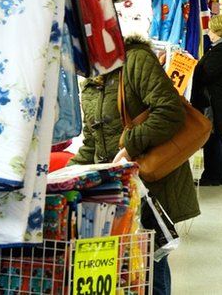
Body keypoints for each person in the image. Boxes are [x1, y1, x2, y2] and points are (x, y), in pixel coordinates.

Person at [70, 36, 199, 295]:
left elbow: (169, 111)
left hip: (153, 184)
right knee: (131, 269)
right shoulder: (90, 83)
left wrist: (129, 146)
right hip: (119, 190)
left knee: (152, 263)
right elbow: (93, 143)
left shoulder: (135, 60)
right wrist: (66, 175)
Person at [190, 15, 222, 185]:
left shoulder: (221, 51)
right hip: (218, 99)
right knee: (216, 136)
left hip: (214, 100)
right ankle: (220, 174)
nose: (208, 33)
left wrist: (194, 67)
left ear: (218, 31)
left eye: (211, 30)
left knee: (212, 136)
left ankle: (212, 175)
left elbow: (207, 74)